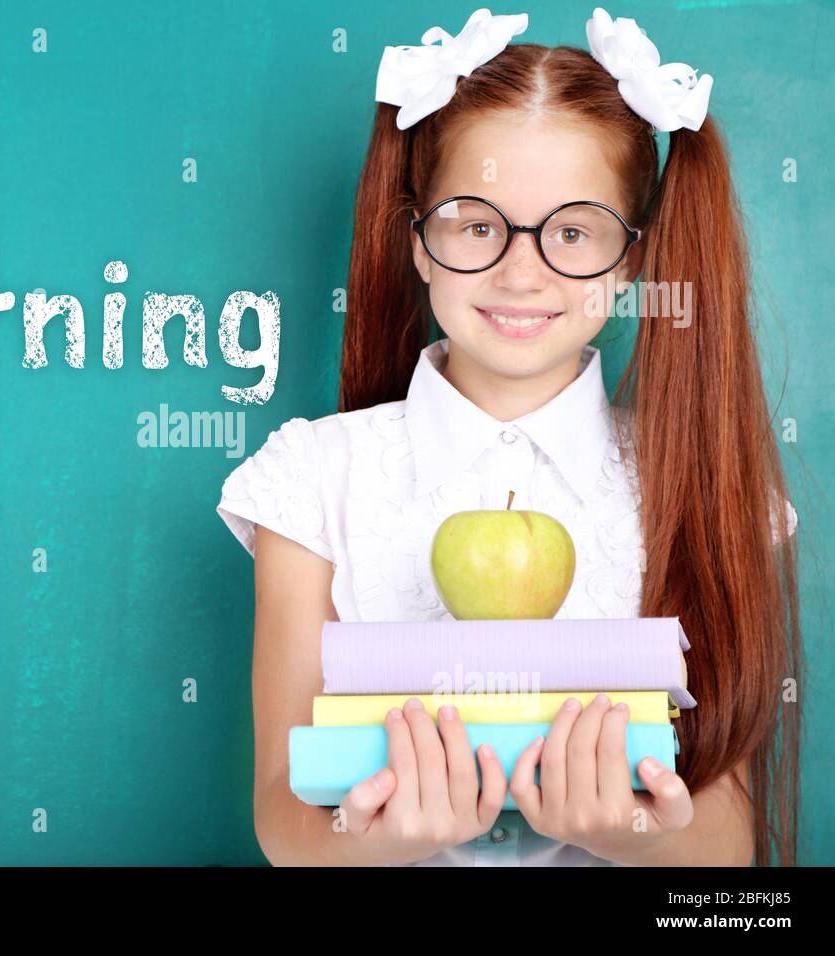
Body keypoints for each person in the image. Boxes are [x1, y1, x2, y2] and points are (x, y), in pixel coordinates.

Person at [215, 7, 802, 866]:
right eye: (476, 223)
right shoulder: (311, 480)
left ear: (630, 260)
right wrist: (367, 837)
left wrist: (621, 827)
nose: (520, 272)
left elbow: (727, 844)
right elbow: (283, 815)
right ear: (418, 239)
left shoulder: (708, 488)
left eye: (572, 232)